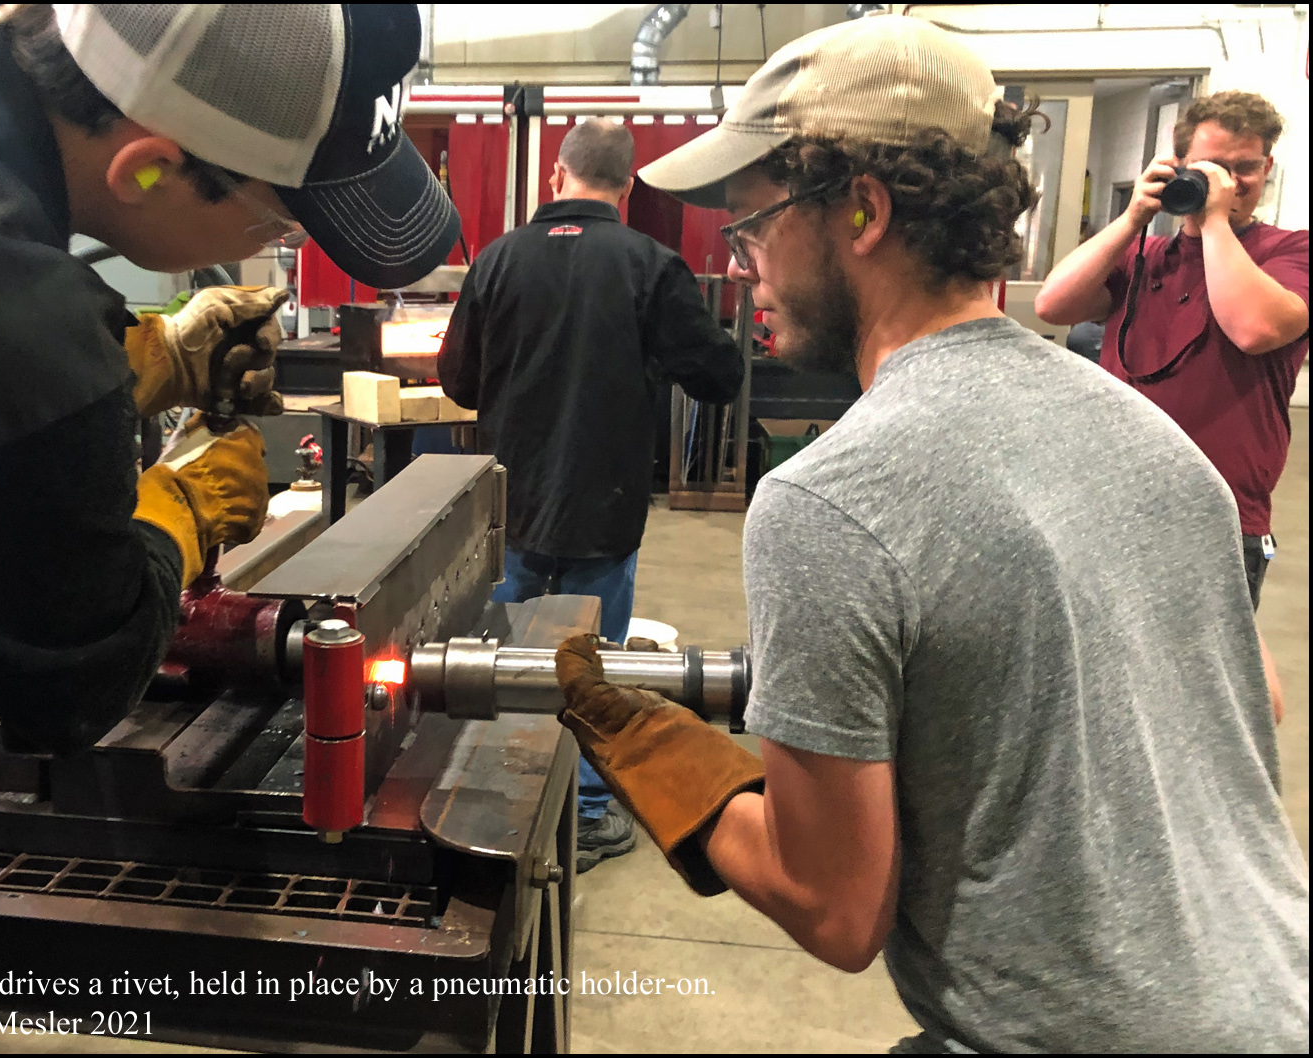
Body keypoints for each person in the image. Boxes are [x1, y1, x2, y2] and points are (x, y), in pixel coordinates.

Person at [552, 15, 1307, 1051]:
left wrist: (664, 752)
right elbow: (1251, 694)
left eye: (753, 225)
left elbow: (834, 907)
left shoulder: (831, 500)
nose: (747, 268)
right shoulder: (1154, 440)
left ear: (860, 209)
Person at [0, 4, 457, 1051]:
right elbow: (76, 670)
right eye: (279, 221)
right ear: (147, 167)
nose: (278, 251)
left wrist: (140, 353)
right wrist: (179, 510)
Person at [438, 118, 743, 871]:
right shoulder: (651, 265)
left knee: (501, 650)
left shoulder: (500, 260)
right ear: (627, 186)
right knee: (591, 659)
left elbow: (458, 380)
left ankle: (494, 794)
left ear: (555, 175)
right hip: (604, 504)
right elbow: (717, 376)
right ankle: (590, 809)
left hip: (513, 502)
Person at [1036, 91, 1308, 619]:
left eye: (1245, 168)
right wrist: (1134, 216)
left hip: (1219, 515)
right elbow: (1053, 304)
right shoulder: (1147, 255)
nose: (1230, 182)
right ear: (1179, 168)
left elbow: (1253, 329)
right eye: (1214, 169)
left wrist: (1215, 221)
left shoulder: (1288, 252)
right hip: (1112, 502)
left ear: (1268, 166)